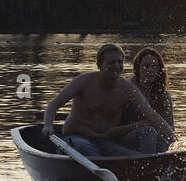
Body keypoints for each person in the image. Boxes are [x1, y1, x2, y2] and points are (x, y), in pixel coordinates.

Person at [41, 43, 177, 158]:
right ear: (99, 64)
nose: (116, 66)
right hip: (77, 137)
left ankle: (145, 180)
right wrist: (48, 125)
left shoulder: (127, 89)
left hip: (105, 142)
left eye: (119, 62)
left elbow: (152, 116)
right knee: (88, 152)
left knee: (138, 159)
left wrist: (177, 142)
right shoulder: (84, 81)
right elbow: (54, 104)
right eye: (111, 62)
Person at [115, 47, 174, 155]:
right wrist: (141, 125)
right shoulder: (125, 91)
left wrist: (178, 145)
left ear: (159, 70)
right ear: (137, 69)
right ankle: (149, 165)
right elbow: (112, 130)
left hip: (153, 141)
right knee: (148, 131)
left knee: (165, 141)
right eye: (146, 66)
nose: (150, 70)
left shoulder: (164, 96)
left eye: (154, 66)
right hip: (123, 142)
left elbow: (170, 130)